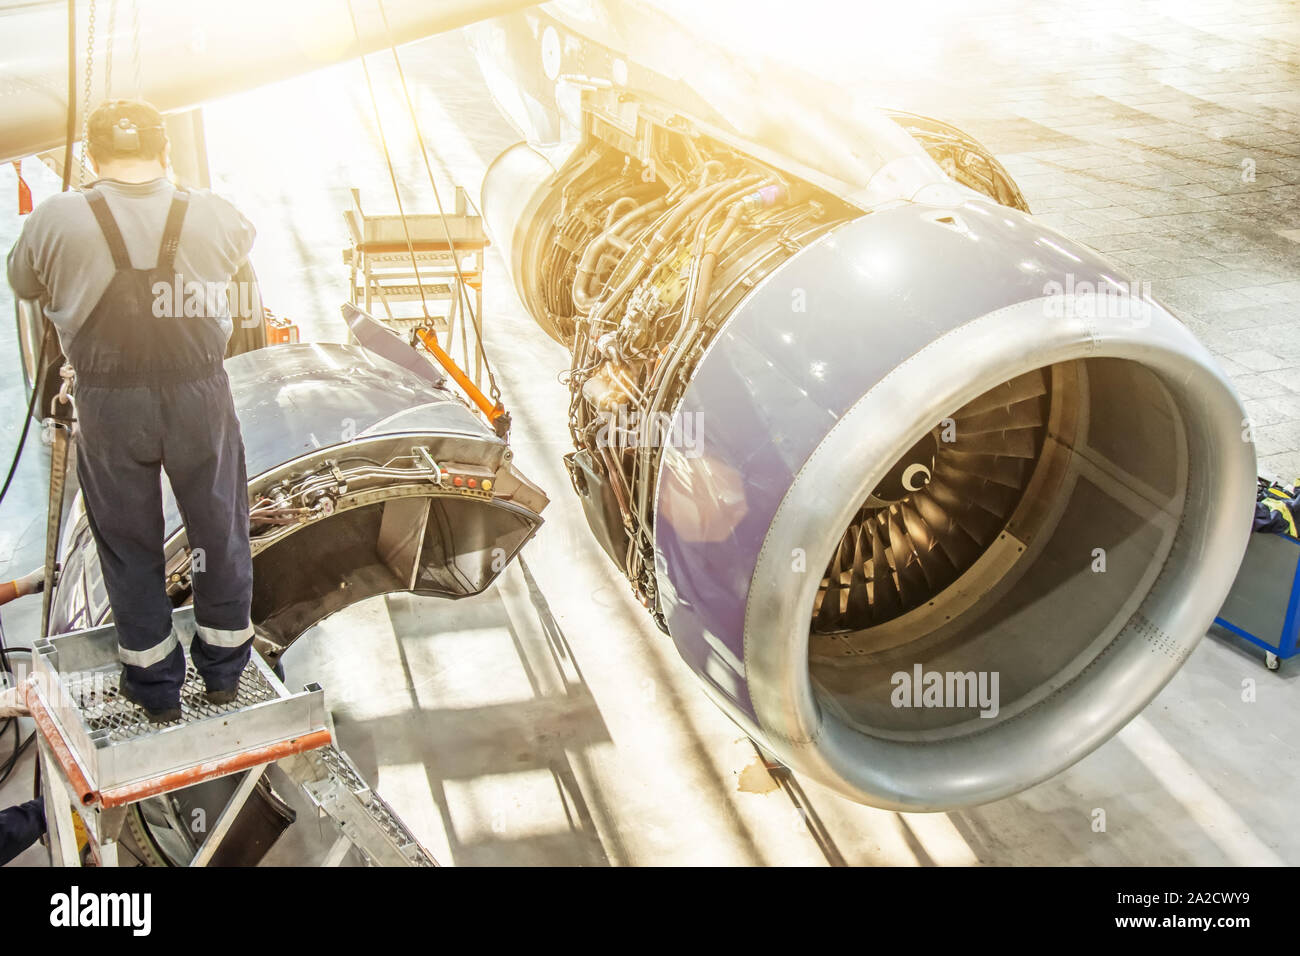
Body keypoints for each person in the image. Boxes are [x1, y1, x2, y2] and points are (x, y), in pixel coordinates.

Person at [6, 99, 257, 722]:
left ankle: (155, 688)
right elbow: (239, 248)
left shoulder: (55, 219)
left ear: (92, 157)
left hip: (109, 403)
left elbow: (23, 283)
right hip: (198, 394)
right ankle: (224, 672)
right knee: (219, 529)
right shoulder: (214, 213)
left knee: (128, 543)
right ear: (164, 150)